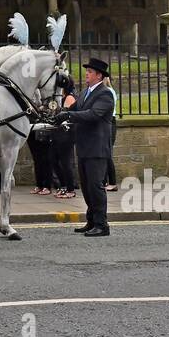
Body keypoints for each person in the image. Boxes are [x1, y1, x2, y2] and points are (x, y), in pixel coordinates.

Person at [56, 59, 115, 238]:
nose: (87, 74)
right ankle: (91, 221)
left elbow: (93, 115)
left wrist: (69, 114)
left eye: (90, 71)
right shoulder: (85, 93)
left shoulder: (105, 94)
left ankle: (101, 224)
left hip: (97, 148)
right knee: (87, 187)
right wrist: (57, 111)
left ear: (99, 75)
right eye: (87, 71)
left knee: (96, 187)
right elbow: (74, 108)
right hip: (83, 147)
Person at [50, 75, 78, 199]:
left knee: (65, 162)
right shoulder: (62, 97)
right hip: (59, 133)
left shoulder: (69, 97)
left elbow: (64, 114)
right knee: (56, 160)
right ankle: (63, 186)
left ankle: (70, 188)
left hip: (66, 134)